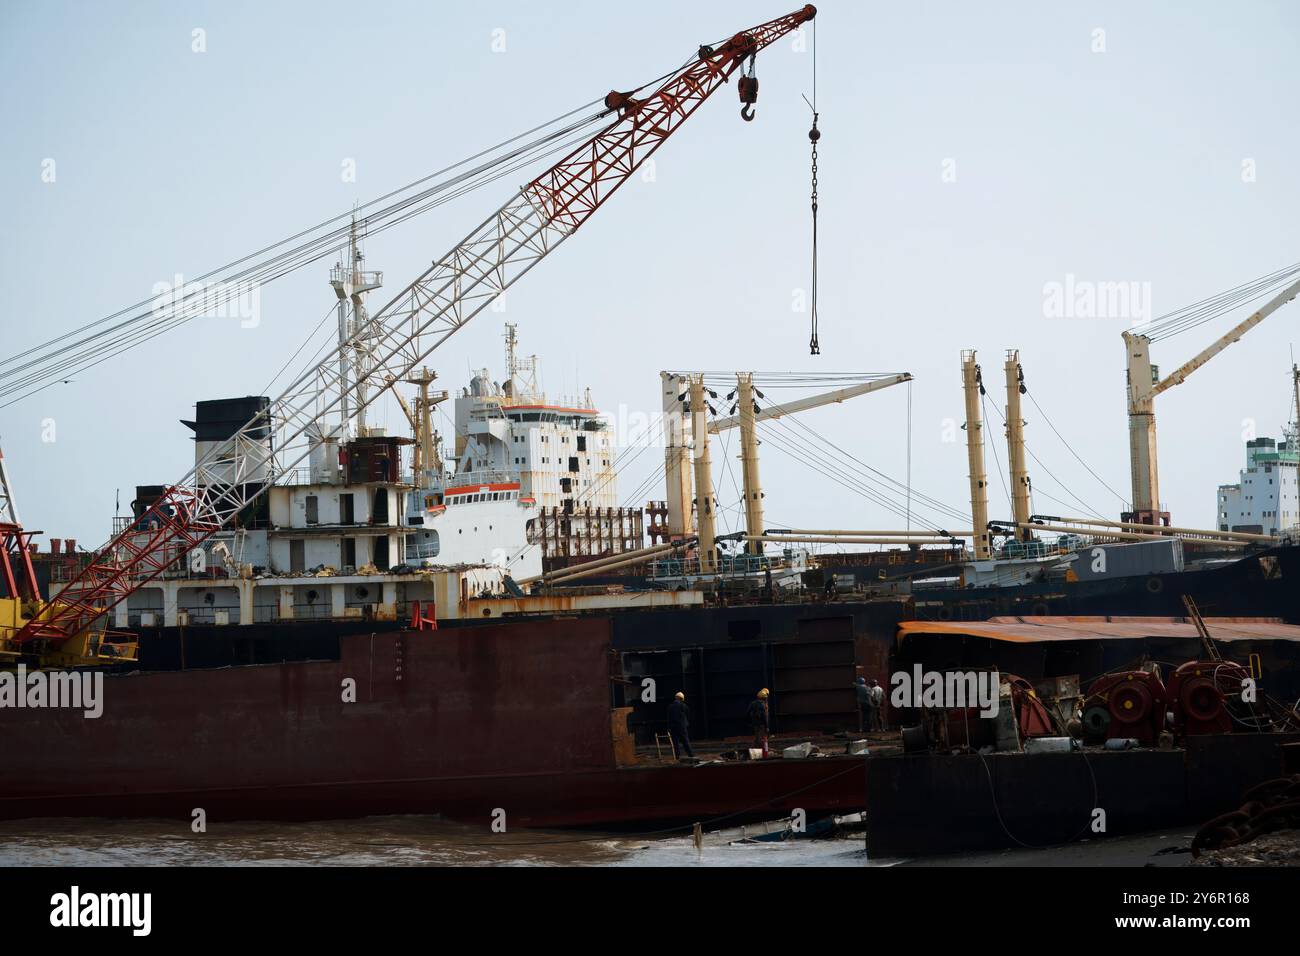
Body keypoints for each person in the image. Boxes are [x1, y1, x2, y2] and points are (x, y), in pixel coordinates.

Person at [667, 691, 694, 760]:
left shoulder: (670, 706)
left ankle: (677, 757)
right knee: (685, 741)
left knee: (675, 742)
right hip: (682, 727)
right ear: (681, 699)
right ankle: (691, 755)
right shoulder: (683, 705)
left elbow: (669, 718)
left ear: (676, 698)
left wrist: (669, 727)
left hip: (673, 727)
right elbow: (688, 712)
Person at [747, 688, 771, 756]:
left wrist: (751, 722)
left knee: (757, 737)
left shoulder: (753, 703)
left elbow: (747, 713)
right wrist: (767, 727)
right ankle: (762, 752)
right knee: (763, 739)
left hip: (755, 724)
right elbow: (764, 717)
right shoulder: (763, 705)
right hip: (762, 725)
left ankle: (757, 751)